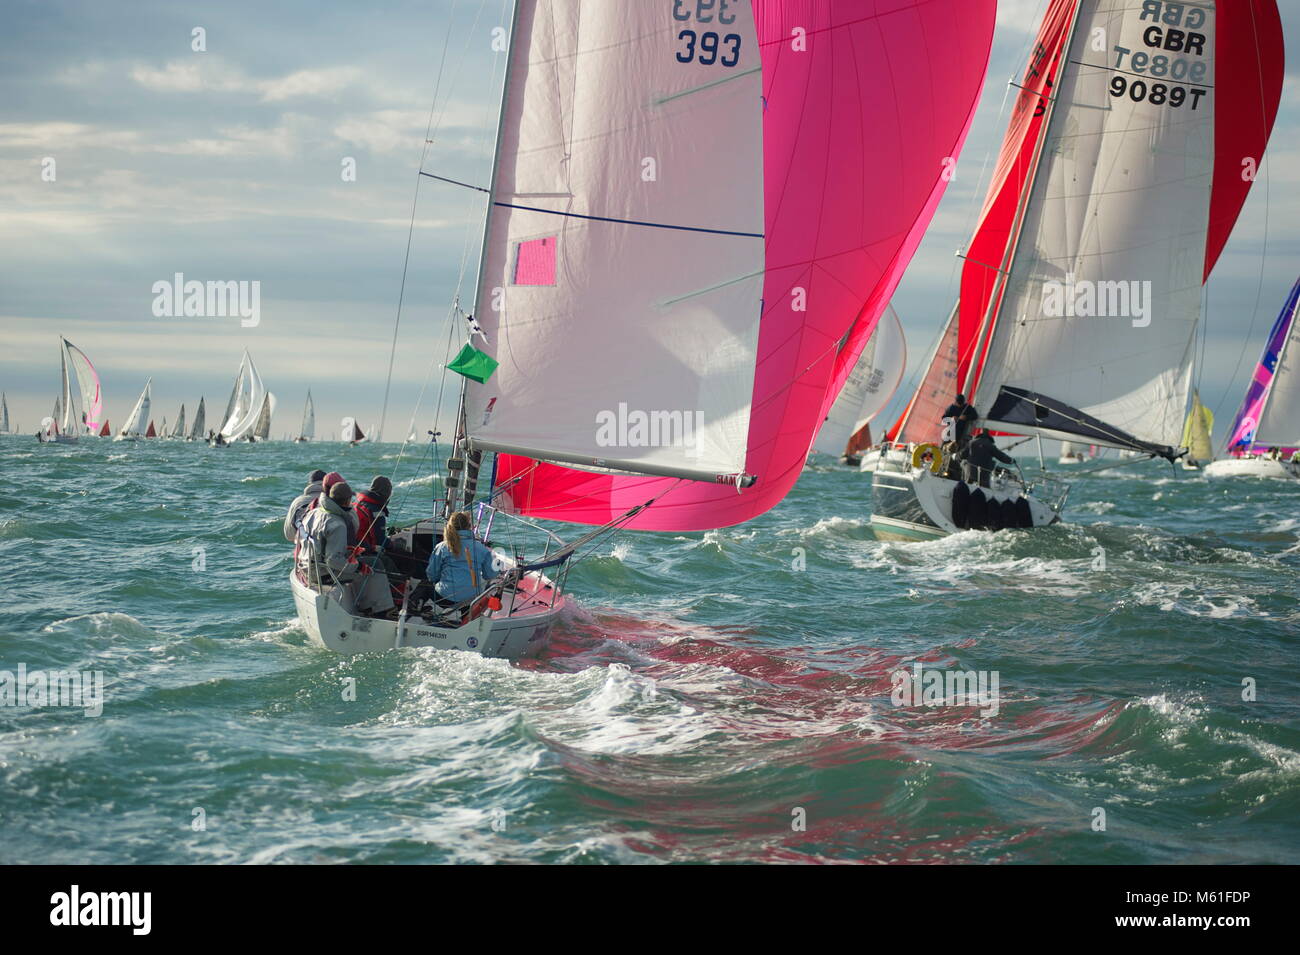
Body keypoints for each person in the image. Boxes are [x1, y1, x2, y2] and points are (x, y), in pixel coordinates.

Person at [298, 482, 393, 615]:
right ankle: (379, 610)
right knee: (374, 564)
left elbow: (321, 543)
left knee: (366, 561)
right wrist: (359, 566)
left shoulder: (314, 512)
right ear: (347, 501)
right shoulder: (337, 524)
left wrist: (348, 550)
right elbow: (333, 561)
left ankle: (366, 605)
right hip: (323, 572)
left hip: (306, 566)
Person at [425, 511, 498, 608]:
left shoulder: (442, 547)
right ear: (469, 526)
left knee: (423, 587)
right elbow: (490, 575)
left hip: (444, 598)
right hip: (471, 600)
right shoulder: (481, 548)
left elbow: (432, 575)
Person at [283, 469, 327, 543]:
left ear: (309, 484)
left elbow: (289, 534)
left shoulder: (298, 502)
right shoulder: (332, 500)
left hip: (304, 550)